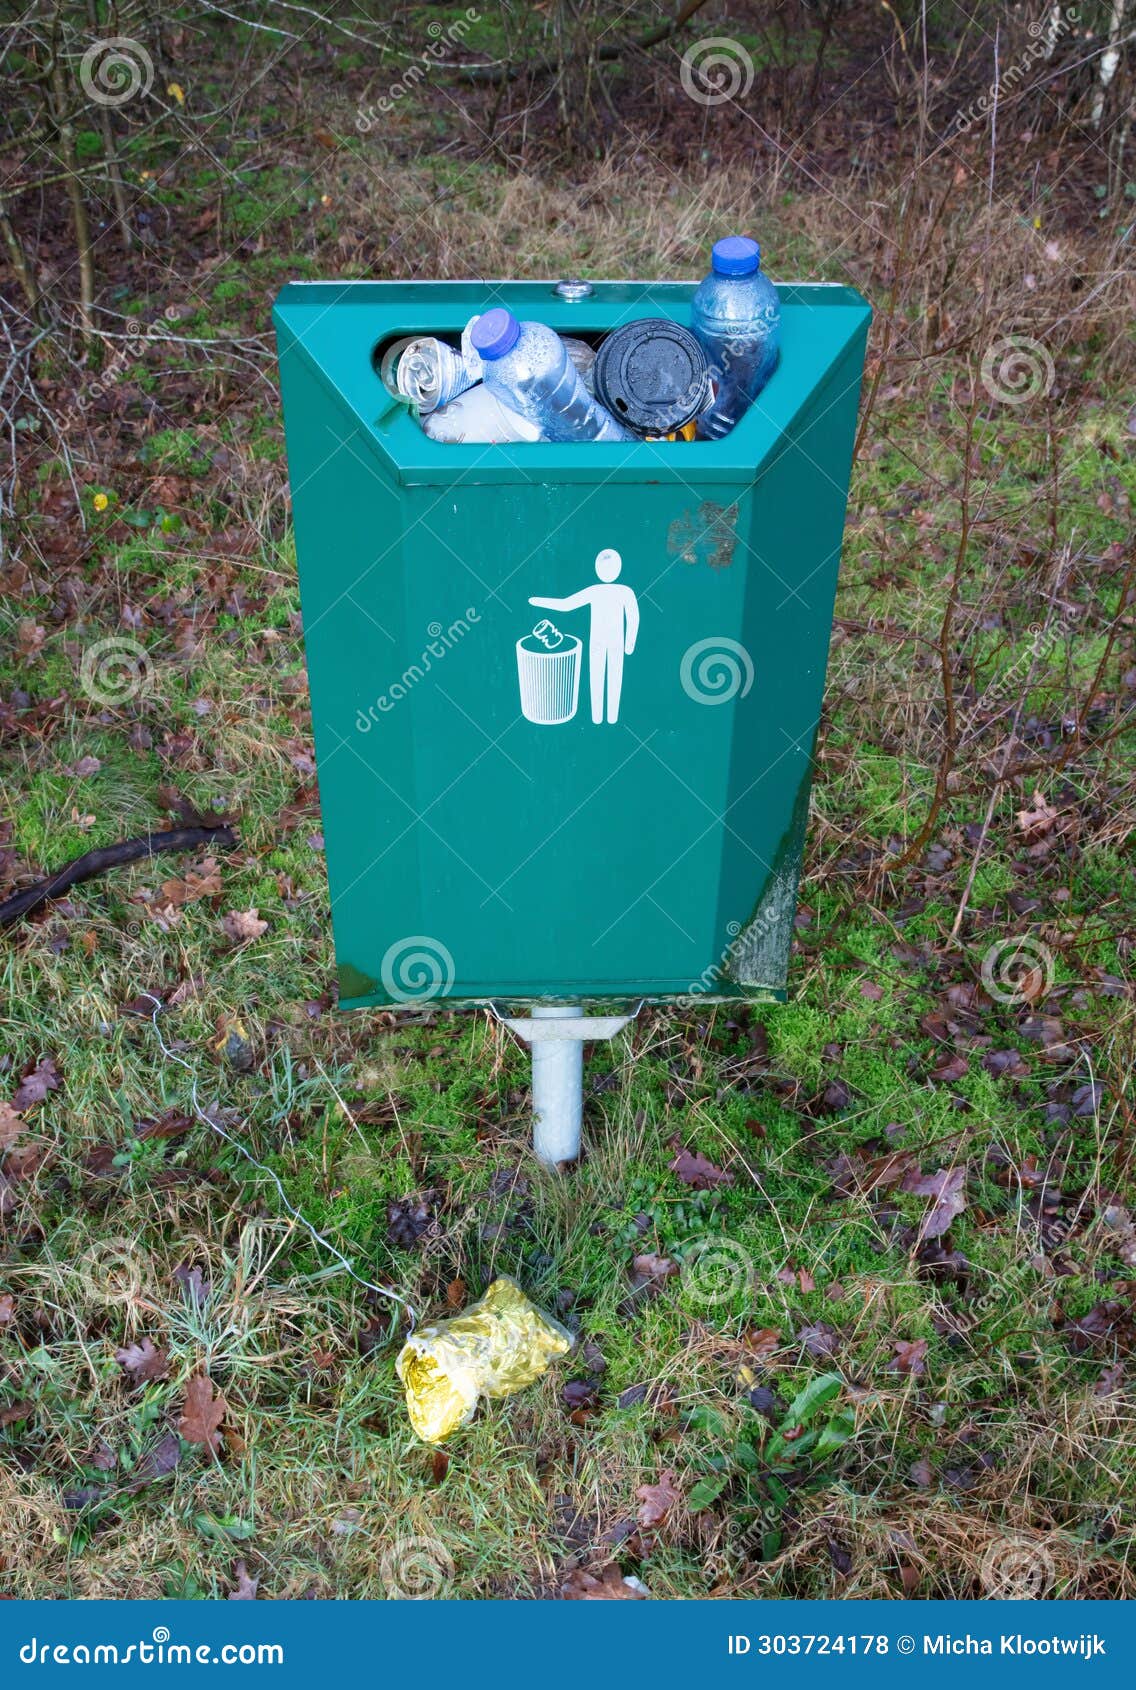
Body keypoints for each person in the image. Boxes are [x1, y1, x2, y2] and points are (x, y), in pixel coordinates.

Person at [529, 549, 639, 725]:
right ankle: (605, 718)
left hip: (606, 642)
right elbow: (566, 605)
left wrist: (629, 644)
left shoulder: (616, 591)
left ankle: (607, 717)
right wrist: (629, 644)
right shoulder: (621, 591)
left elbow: (633, 616)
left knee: (607, 676)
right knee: (607, 677)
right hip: (605, 642)